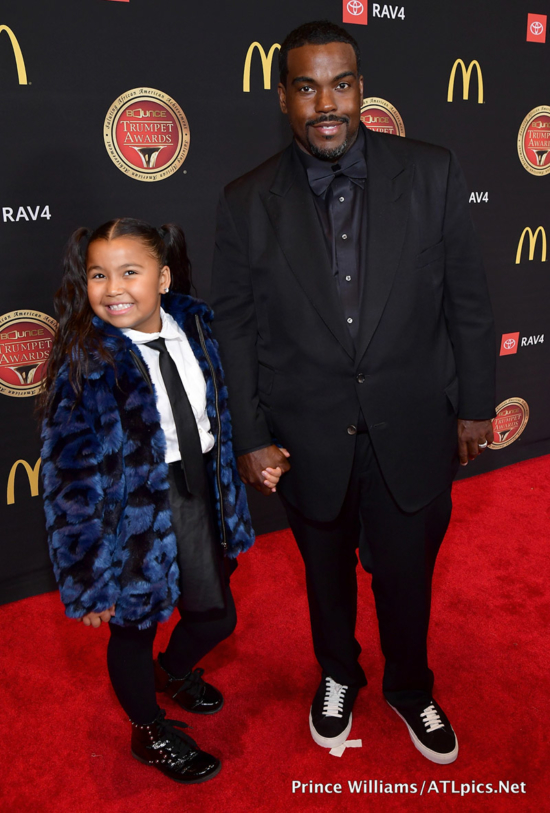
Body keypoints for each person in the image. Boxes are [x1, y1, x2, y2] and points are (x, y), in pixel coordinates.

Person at [210, 21, 495, 765]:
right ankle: (338, 672)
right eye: (307, 87)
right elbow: (234, 330)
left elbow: (468, 298)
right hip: (305, 432)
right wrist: (247, 433)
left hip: (413, 423)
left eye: (341, 84)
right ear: (284, 97)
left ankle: (410, 684)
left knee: (408, 572)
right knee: (325, 574)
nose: (326, 103)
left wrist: (475, 405)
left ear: (361, 87)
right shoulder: (244, 202)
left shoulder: (431, 172)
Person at [39, 218, 284, 783]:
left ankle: (171, 671)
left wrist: (256, 455)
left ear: (164, 276)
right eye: (98, 275)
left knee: (217, 615)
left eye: (130, 272)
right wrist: (85, 577)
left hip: (202, 491)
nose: (113, 288)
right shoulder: (86, 360)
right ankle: (147, 729)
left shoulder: (196, 327)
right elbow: (68, 478)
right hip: (130, 514)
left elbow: (221, 410)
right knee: (135, 624)